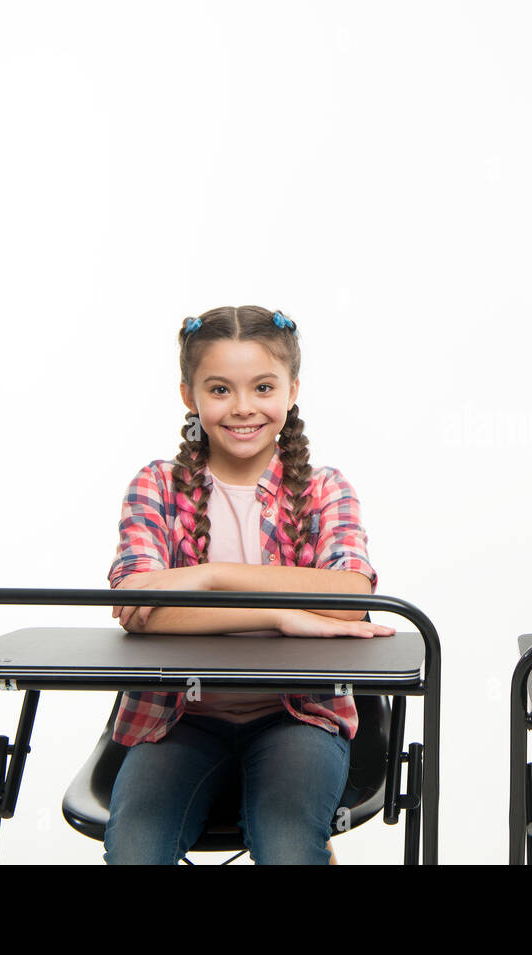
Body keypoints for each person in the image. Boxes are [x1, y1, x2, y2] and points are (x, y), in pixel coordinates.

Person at [103, 305, 392, 865]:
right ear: (189, 396)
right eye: (219, 389)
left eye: (262, 387)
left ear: (292, 390)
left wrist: (209, 578)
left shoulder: (326, 489)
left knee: (286, 845)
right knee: (134, 850)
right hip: (180, 717)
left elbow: (351, 597)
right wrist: (279, 614)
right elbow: (138, 604)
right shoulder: (156, 485)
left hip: (296, 715)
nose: (242, 408)